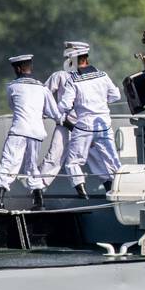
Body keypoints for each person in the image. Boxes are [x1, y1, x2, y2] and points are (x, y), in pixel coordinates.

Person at [0, 55, 61, 211]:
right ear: (30, 68)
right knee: (31, 166)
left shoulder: (12, 87)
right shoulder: (42, 88)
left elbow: (12, 105)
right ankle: (38, 200)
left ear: (17, 69)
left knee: (9, 162)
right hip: (36, 132)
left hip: (19, 130)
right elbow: (54, 112)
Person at [57, 44, 122, 200]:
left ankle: (82, 192)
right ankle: (120, 189)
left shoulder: (73, 80)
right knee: (112, 160)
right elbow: (115, 96)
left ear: (74, 59)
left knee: (73, 162)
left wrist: (57, 107)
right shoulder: (103, 75)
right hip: (103, 124)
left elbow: (65, 105)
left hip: (84, 126)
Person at [39, 40, 89, 188]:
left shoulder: (92, 76)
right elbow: (43, 94)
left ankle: (108, 186)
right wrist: (50, 112)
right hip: (65, 124)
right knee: (54, 156)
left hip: (86, 124)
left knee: (95, 157)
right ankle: (38, 189)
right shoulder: (60, 76)